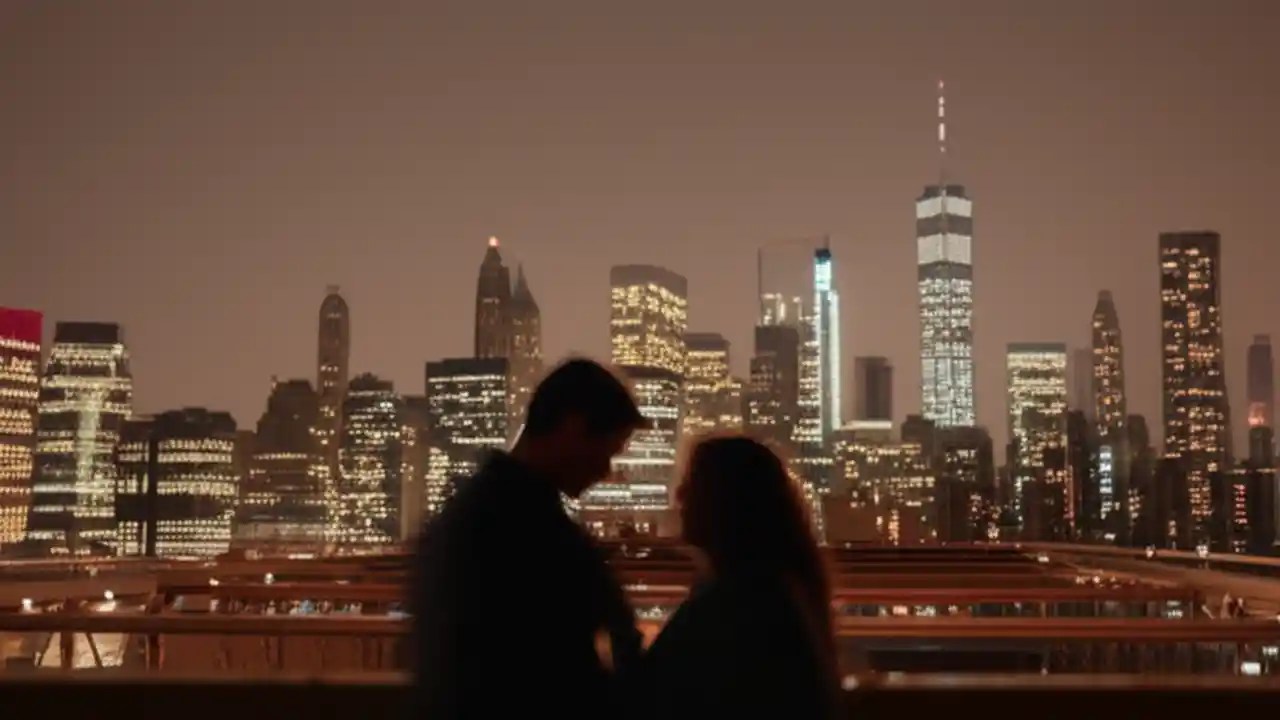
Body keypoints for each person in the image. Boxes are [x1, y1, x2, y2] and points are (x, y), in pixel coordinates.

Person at [409, 358, 648, 719]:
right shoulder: (539, 532)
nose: (605, 471)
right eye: (608, 451)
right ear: (573, 427)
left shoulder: (469, 511)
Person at [634, 435, 842, 719]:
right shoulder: (770, 591)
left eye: (694, 483)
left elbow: (652, 691)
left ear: (728, 502)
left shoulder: (733, 603)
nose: (680, 494)